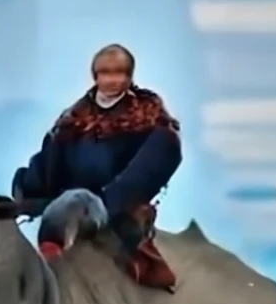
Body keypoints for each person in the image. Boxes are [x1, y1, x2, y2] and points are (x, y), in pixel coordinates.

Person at [11, 43, 181, 290]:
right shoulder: (74, 118)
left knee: (77, 200)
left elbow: (158, 157)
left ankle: (51, 256)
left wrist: (113, 201)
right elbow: (50, 158)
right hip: (63, 200)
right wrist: (27, 191)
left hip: (108, 205)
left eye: (119, 73)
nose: (112, 80)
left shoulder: (149, 118)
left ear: (129, 76)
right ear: (95, 76)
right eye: (105, 73)